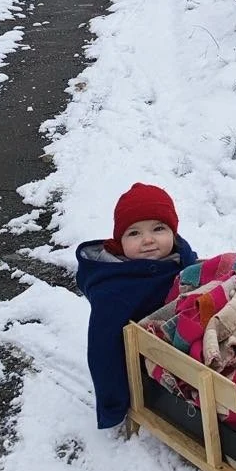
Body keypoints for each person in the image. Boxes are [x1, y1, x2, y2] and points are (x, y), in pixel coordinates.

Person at [76, 182, 198, 429]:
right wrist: (113, 404)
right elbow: (103, 350)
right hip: (150, 370)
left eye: (158, 228)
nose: (148, 240)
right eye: (134, 233)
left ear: (173, 233)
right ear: (120, 242)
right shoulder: (114, 291)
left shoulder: (182, 262)